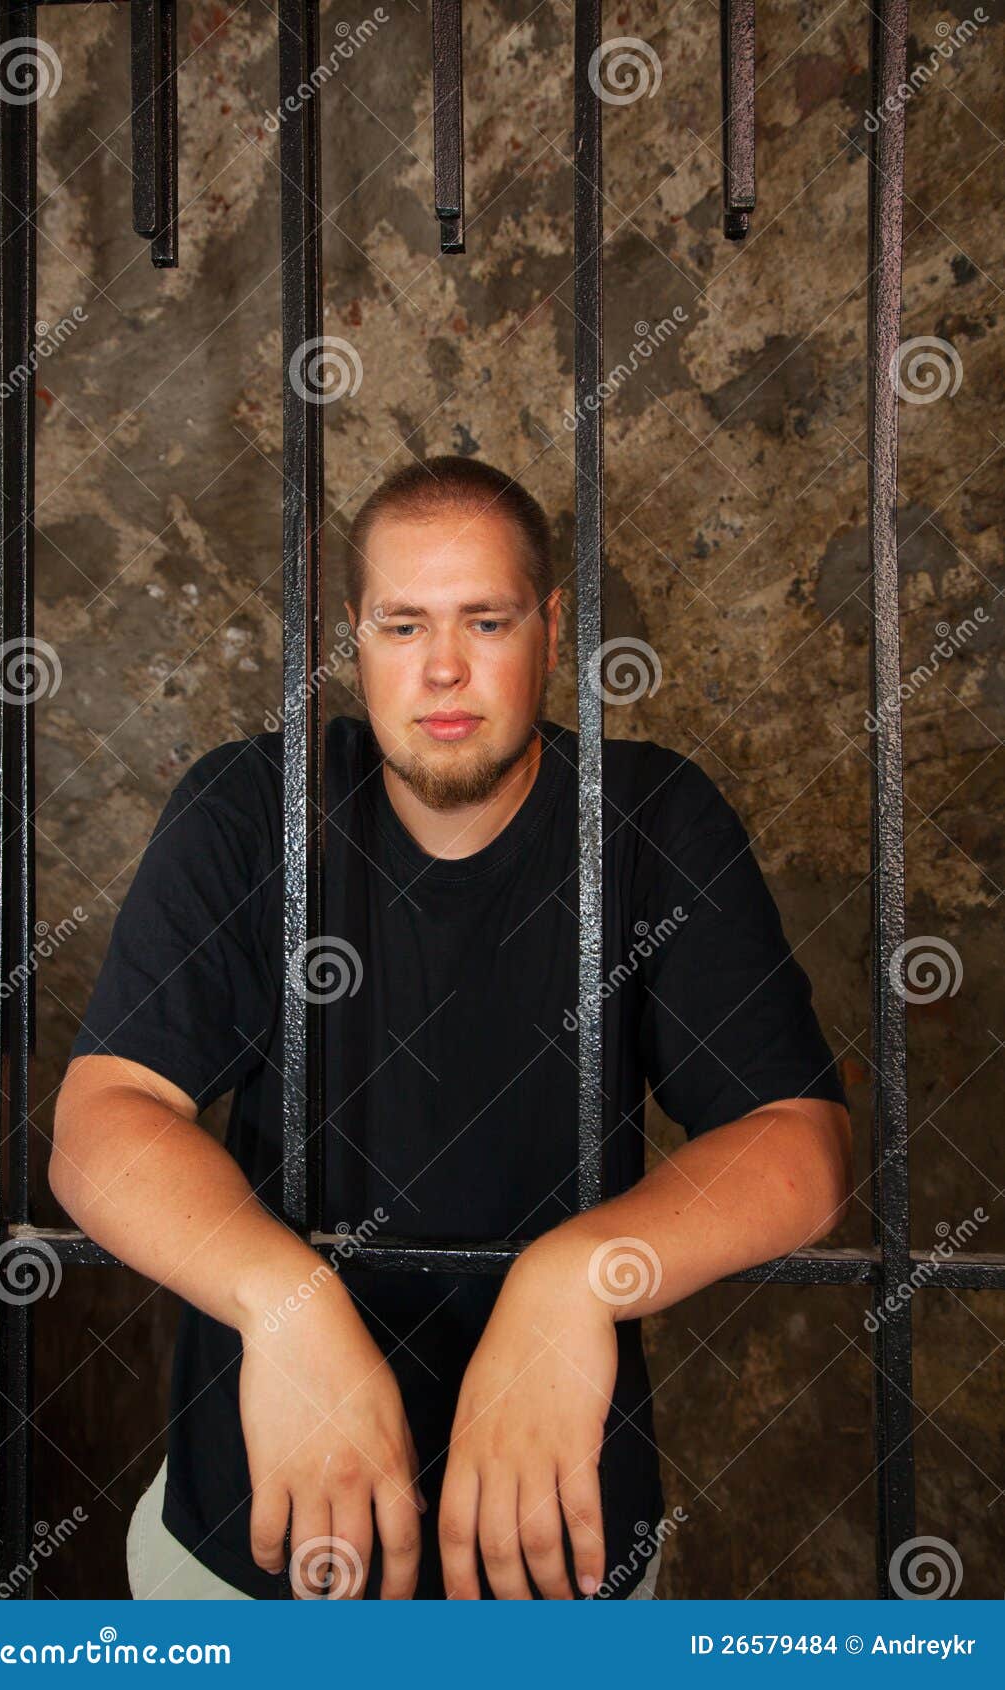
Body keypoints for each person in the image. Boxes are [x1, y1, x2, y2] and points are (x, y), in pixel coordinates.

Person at [50, 455, 852, 1601]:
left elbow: (800, 1146)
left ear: (552, 626)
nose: (441, 667)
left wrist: (570, 1280)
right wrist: (288, 1300)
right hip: (251, 1548)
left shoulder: (647, 818)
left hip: (551, 1555)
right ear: (352, 635)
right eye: (401, 623)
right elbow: (100, 1122)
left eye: (486, 618)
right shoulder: (250, 808)